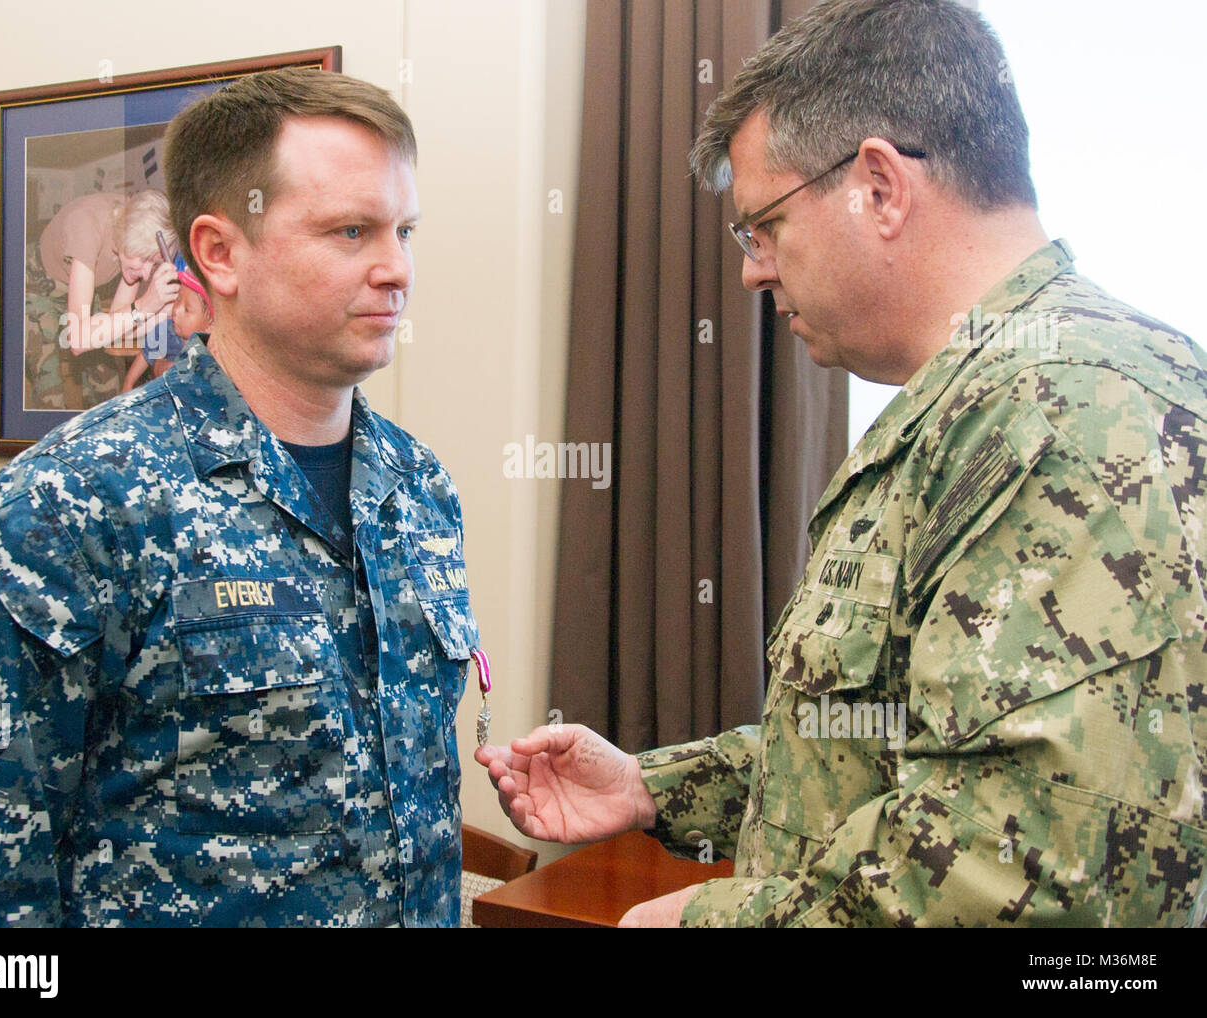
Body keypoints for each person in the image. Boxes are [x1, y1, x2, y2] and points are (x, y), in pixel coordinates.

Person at [478, 0, 1207, 927]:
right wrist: (651, 787)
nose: (752, 270)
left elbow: (1027, 885)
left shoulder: (1064, 417)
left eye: (764, 225)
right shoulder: (980, 401)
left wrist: (695, 923)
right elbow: (905, 740)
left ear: (879, 186)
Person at [0, 68, 480, 926]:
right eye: (352, 231)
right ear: (218, 252)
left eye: (404, 230)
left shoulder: (420, 488)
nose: (396, 269)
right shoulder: (73, 501)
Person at [36, 189, 181, 407]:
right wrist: (145, 305)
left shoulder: (136, 237)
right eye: (143, 260)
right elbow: (77, 339)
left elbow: (123, 330)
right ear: (124, 241)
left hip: (88, 282)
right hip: (41, 282)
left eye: (154, 263)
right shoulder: (86, 225)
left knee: (109, 386)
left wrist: (167, 311)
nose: (146, 274)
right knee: (50, 386)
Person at [122, 268, 210, 391]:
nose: (176, 310)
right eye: (178, 300)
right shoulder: (165, 329)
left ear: (210, 324)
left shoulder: (212, 348)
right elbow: (146, 355)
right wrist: (128, 384)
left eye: (187, 309)